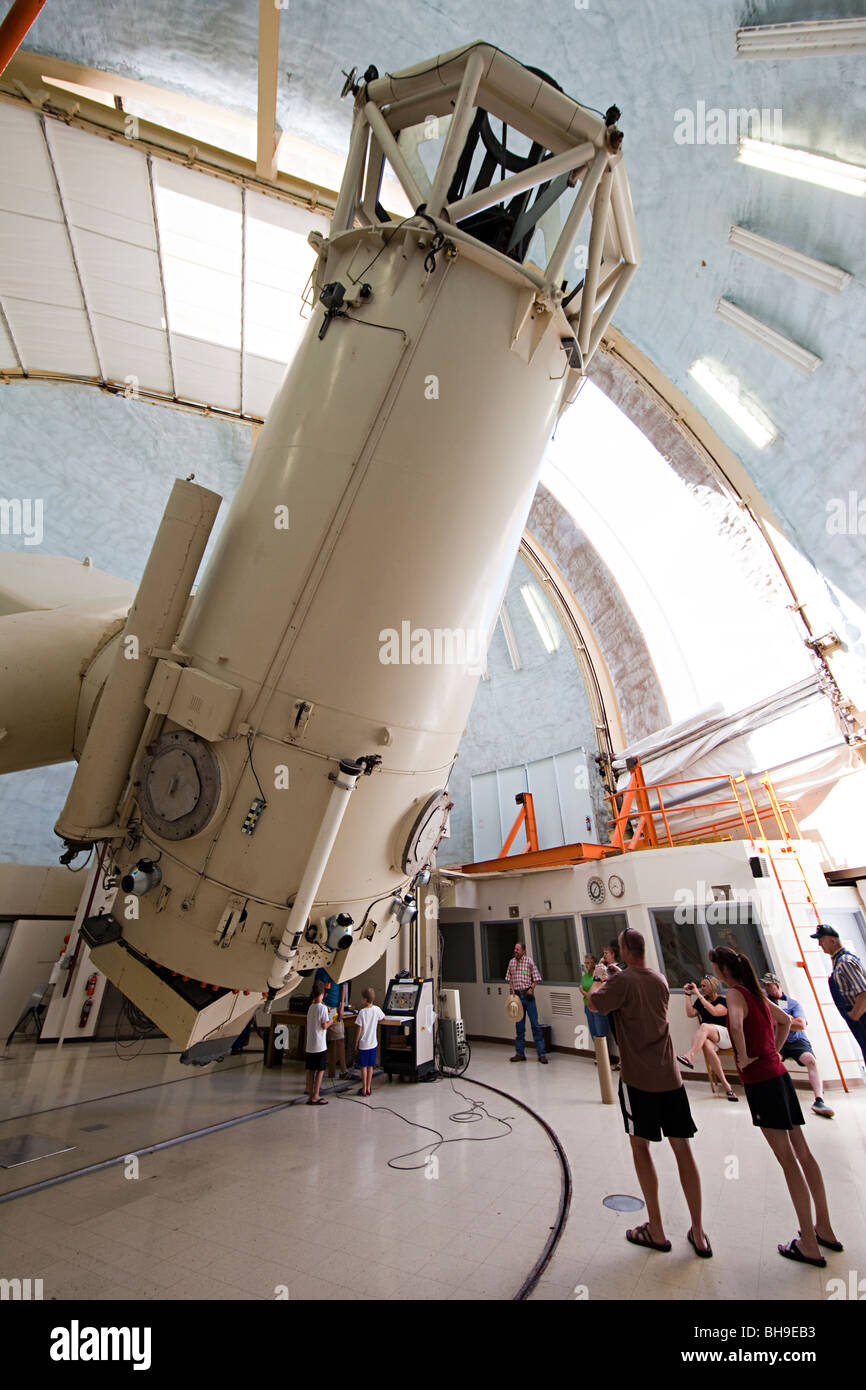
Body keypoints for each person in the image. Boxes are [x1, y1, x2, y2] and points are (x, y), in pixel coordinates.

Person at [709, 946, 841, 1268]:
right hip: (779, 1077)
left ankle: (808, 1244)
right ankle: (824, 1228)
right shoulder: (757, 994)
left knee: (787, 1160)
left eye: (715, 968)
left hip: (761, 1083)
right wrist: (774, 1053)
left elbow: (736, 1026)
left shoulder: (736, 996)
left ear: (724, 971)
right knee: (803, 1153)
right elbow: (785, 1022)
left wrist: (743, 1057)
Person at [587, 928, 710, 1258]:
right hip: (670, 1079)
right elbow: (635, 996)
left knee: (640, 1147)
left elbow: (596, 1003)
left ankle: (656, 1229)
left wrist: (598, 978)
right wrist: (618, 975)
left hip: (639, 1080)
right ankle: (699, 1232)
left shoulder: (621, 982)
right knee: (682, 1149)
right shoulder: (656, 980)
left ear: (624, 951)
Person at [762, 972, 834, 1118]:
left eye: (769, 985)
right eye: (765, 986)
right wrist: (787, 1020)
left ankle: (819, 1100)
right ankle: (779, 1099)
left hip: (796, 1041)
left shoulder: (792, 1003)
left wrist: (783, 1021)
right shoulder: (766, 1003)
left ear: (776, 986)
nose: (767, 989)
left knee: (810, 1060)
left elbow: (800, 1024)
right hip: (778, 1040)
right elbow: (766, 1022)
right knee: (773, 1063)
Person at [811, 924, 866, 1065]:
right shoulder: (839, 963)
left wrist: (854, 1016)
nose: (819, 944)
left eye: (821, 940)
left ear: (833, 941)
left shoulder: (844, 963)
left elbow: (863, 993)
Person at [676, 975, 738, 1102]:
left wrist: (698, 994)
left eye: (704, 986)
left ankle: (690, 1056)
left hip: (725, 1036)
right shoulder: (701, 1001)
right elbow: (690, 1014)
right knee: (706, 1045)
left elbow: (715, 1012)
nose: (702, 988)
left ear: (712, 986)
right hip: (712, 1038)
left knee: (704, 1026)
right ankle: (727, 1086)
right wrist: (687, 996)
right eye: (701, 986)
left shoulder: (722, 1001)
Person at [505, 941, 547, 1063]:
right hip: (517, 997)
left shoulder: (529, 962)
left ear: (523, 951)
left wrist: (531, 988)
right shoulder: (511, 962)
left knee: (535, 1025)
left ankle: (541, 1054)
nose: (515, 951)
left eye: (518, 949)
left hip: (528, 996)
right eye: (515, 949)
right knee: (519, 1027)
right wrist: (512, 990)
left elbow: (537, 978)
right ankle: (519, 1053)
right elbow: (510, 978)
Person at [315, 966, 350, 1079]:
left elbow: (343, 987)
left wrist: (342, 1006)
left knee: (340, 1038)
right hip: (323, 1006)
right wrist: (322, 1005)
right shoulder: (321, 971)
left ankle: (344, 1071)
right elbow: (317, 988)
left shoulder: (339, 969)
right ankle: (317, 1071)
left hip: (335, 1008)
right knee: (320, 1039)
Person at [305, 978, 334, 1105]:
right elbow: (324, 1026)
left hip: (310, 1045)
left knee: (310, 1070)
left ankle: (310, 1095)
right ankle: (316, 1095)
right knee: (320, 1070)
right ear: (323, 994)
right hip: (320, 1045)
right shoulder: (322, 1009)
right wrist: (333, 1019)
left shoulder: (311, 1007)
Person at [354, 987, 385, 1097]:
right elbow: (382, 1017)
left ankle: (363, 1088)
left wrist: (356, 1042)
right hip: (373, 1043)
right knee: (371, 1066)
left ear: (364, 999)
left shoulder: (362, 1012)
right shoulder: (376, 1009)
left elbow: (359, 1029)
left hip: (363, 1044)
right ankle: (368, 1088)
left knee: (363, 1067)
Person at [580, 953, 611, 1055]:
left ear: (593, 964)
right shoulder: (585, 976)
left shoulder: (597, 975)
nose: (586, 965)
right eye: (585, 963)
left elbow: (594, 991)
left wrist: (584, 993)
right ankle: (599, 1055)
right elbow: (583, 986)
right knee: (593, 1032)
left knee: (600, 1032)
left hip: (597, 1006)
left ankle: (605, 1056)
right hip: (587, 1006)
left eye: (588, 963)